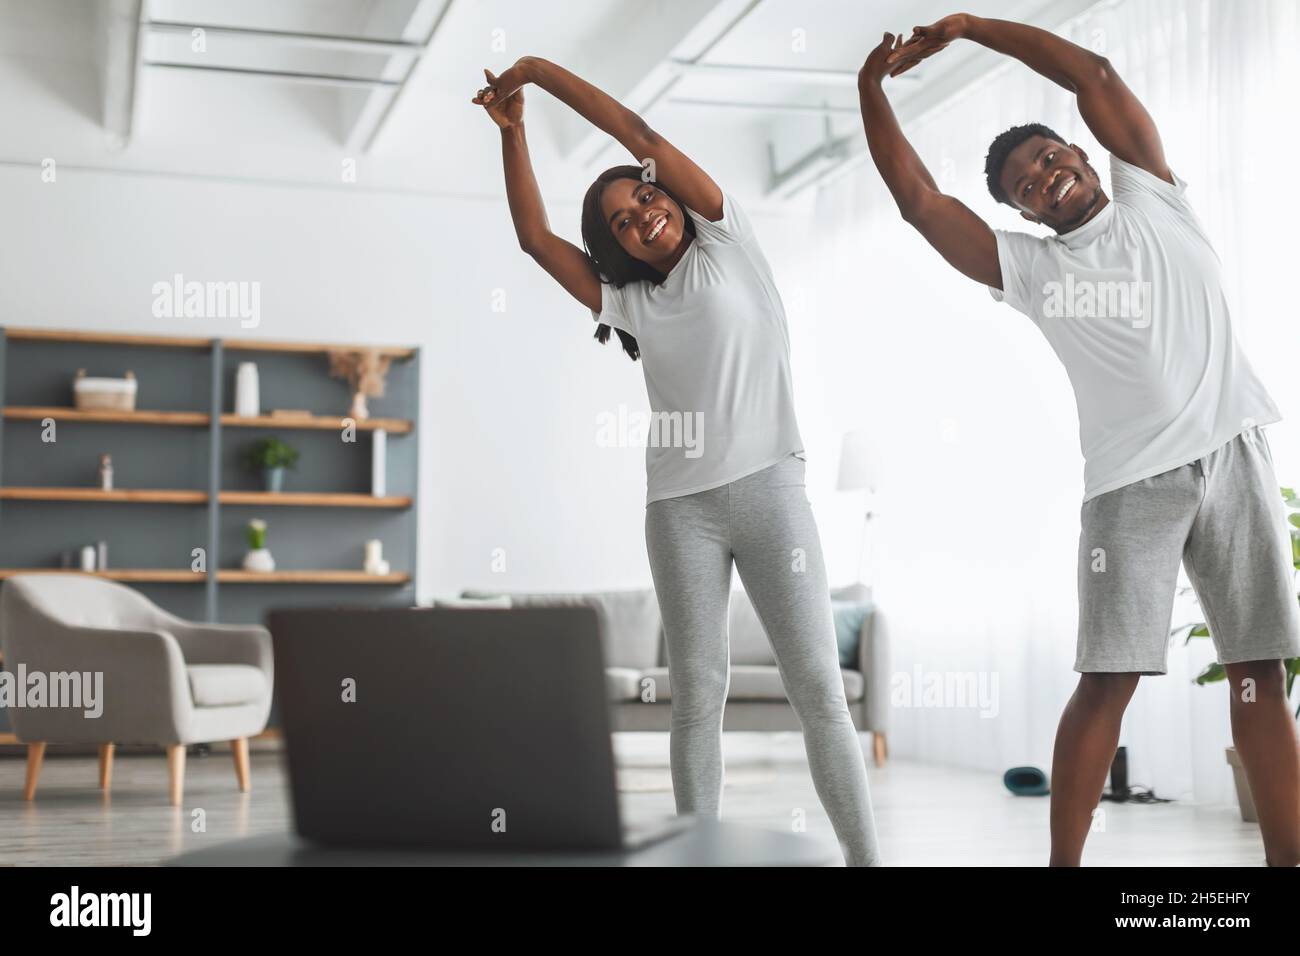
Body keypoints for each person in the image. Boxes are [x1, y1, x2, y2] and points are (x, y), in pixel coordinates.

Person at [857, 15, 1300, 866]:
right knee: (1109, 682)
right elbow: (919, 203)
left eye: (1051, 157)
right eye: (1026, 184)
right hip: (1134, 487)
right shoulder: (1032, 269)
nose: (1046, 176)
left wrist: (971, 26)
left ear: (1085, 154)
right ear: (1024, 210)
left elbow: (1093, 72)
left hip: (1237, 452)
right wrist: (872, 90)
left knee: (1258, 672)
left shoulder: (1155, 194)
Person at [472, 55, 896, 865]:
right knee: (698, 698)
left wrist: (536, 73)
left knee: (818, 693)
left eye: (644, 197)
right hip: (680, 510)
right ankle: (700, 857)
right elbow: (533, 238)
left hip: (773, 489)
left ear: (664, 191)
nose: (641, 218)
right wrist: (515, 132)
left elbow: (636, 132)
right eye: (623, 222)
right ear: (616, 246)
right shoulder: (629, 303)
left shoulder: (729, 242)